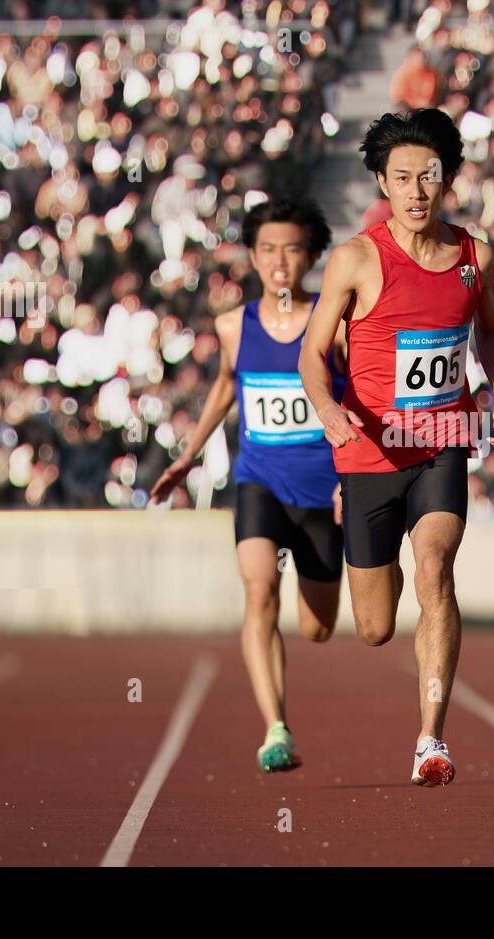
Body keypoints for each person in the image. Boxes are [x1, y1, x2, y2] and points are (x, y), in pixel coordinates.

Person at [298, 109, 494, 787]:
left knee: (435, 572)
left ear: (447, 179)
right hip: (367, 453)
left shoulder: (473, 256)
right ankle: (365, 553)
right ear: (382, 184)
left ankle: (431, 740)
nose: (418, 191)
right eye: (403, 178)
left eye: (429, 177)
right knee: (371, 625)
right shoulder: (356, 259)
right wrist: (330, 408)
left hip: (443, 444)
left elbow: (489, 336)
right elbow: (312, 351)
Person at [151, 197, 348, 774]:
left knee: (317, 628)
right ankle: (275, 728)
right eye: (267, 250)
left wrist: (352, 480)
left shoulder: (333, 324)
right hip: (259, 480)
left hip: (322, 490)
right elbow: (225, 388)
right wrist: (188, 457)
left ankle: (288, 683)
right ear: (253, 257)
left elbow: (358, 396)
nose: (279, 262)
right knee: (259, 590)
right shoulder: (234, 325)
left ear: (311, 255)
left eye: (291, 249)